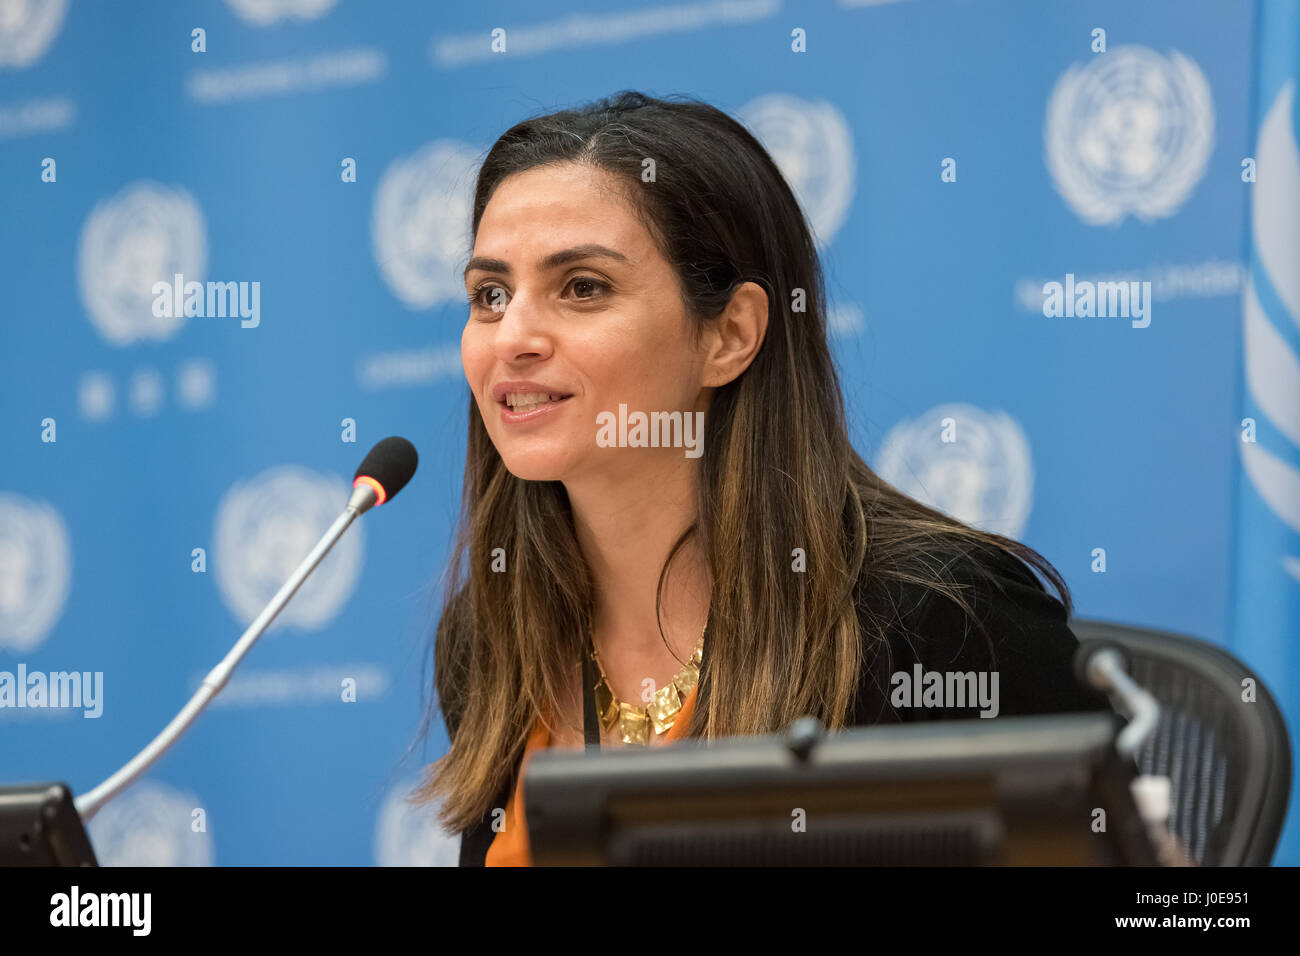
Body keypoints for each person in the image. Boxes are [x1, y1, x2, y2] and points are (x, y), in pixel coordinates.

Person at [411, 90, 1113, 866]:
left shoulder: (937, 622)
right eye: (491, 295)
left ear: (730, 335)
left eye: (583, 287)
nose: (513, 337)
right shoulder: (492, 635)